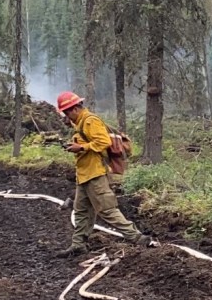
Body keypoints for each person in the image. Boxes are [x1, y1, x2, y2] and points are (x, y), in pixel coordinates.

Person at [54, 91, 154, 257]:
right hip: (84, 175)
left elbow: (103, 142)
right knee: (81, 211)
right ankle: (78, 244)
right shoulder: (80, 124)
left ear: (74, 109)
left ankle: (137, 238)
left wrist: (81, 148)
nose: (66, 116)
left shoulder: (90, 121)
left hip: (96, 174)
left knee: (107, 210)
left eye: (66, 112)